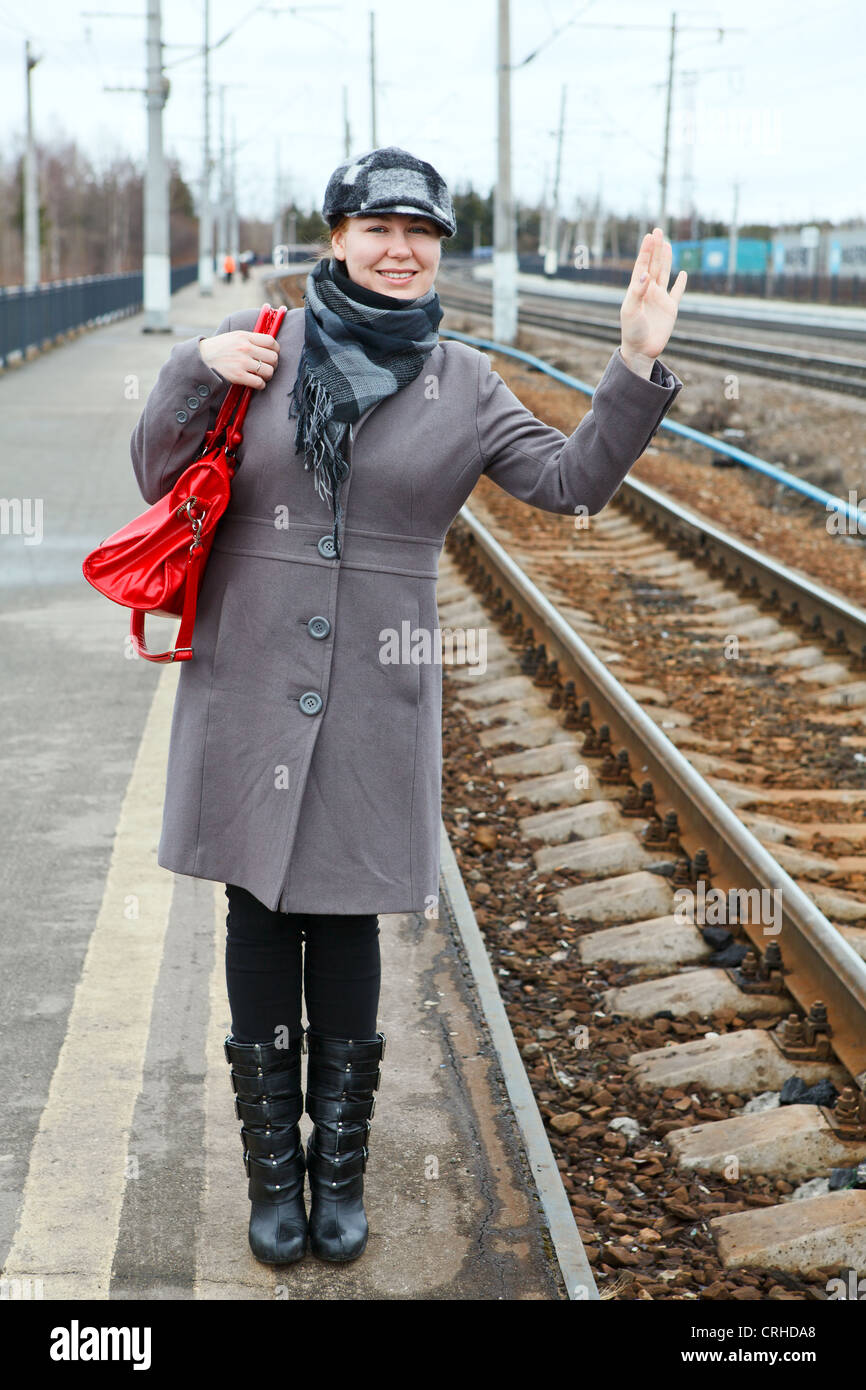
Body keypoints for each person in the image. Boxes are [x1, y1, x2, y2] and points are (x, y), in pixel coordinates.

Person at [130, 145, 686, 1269]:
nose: (399, 250)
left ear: (438, 251)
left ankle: (338, 1178)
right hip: (249, 671)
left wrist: (632, 365)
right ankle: (270, 1182)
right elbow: (155, 473)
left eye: (420, 234)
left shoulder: (464, 382)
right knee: (254, 912)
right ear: (335, 236)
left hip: (373, 688)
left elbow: (569, 483)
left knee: (340, 920)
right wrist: (194, 363)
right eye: (377, 229)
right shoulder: (263, 345)